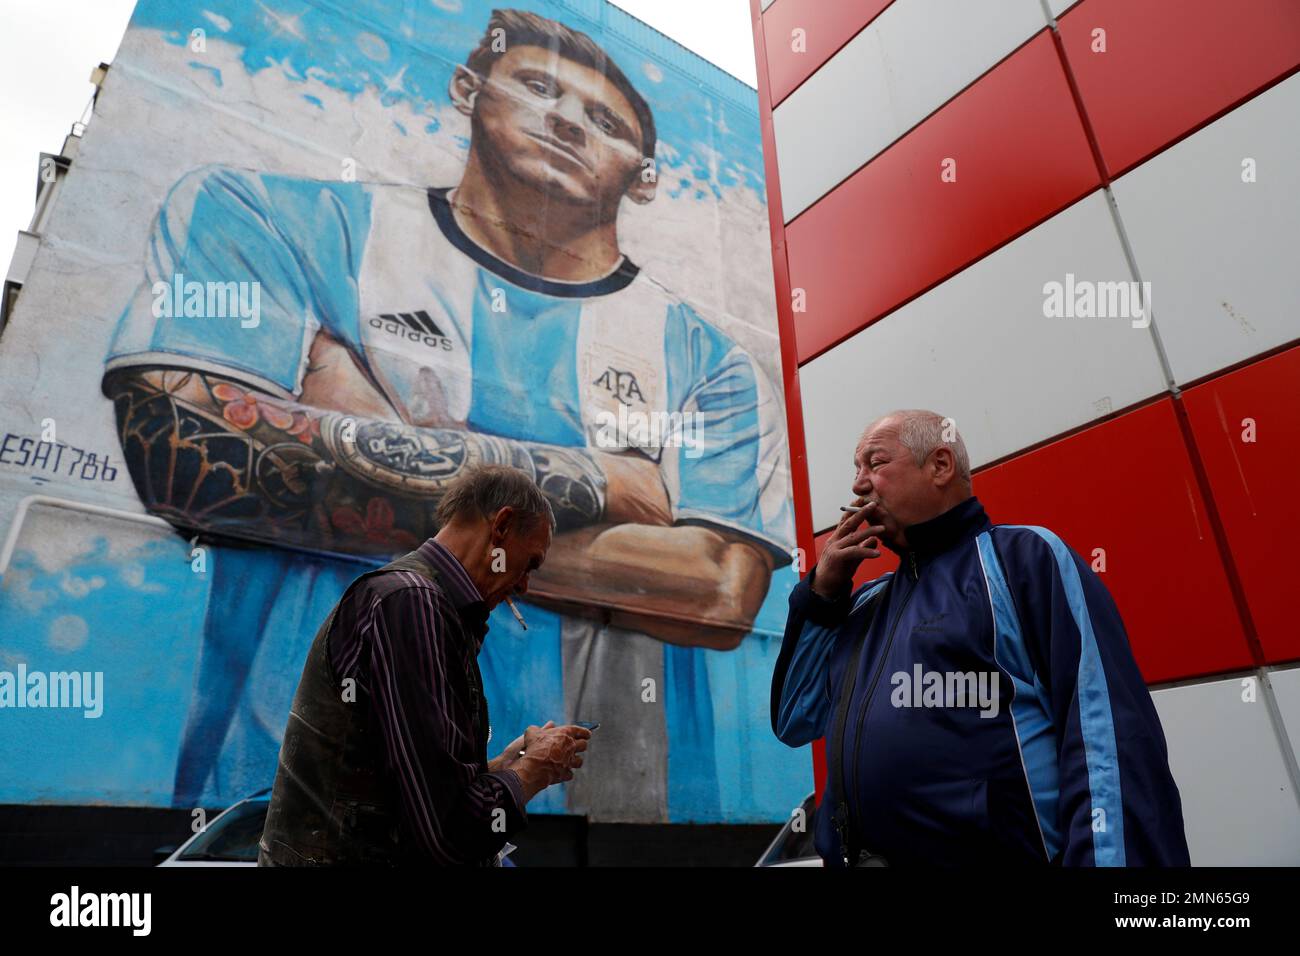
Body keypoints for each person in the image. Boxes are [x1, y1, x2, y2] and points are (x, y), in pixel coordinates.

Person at [101, 8, 792, 819]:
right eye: (537, 86)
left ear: (644, 174)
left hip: (607, 808)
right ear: (468, 89)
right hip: (278, 800)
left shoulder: (710, 359)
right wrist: (607, 479)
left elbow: (716, 590)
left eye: (603, 119)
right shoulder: (272, 217)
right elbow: (184, 453)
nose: (567, 119)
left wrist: (347, 425)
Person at [771, 409, 1190, 866]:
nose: (858, 484)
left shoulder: (1024, 559)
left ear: (940, 466)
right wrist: (821, 596)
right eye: (856, 470)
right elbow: (796, 716)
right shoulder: (864, 601)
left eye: (875, 463)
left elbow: (1104, 735)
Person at [258, 465, 591, 865]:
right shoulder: (412, 603)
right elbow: (447, 833)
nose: (523, 585)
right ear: (501, 527)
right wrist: (532, 771)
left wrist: (501, 768)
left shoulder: (422, 604)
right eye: (531, 563)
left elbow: (407, 791)